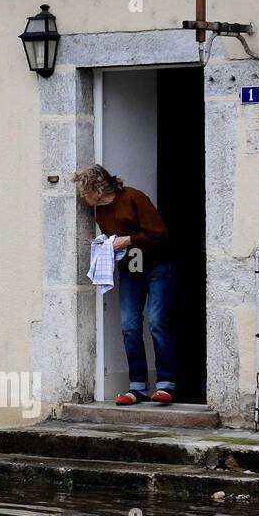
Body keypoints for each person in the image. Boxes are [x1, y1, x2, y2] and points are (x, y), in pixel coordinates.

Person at [73, 164, 177, 405]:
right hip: (131, 270)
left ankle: (166, 384)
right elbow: (116, 241)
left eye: (84, 190)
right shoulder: (100, 212)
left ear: (98, 189)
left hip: (158, 266)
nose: (82, 196)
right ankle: (137, 386)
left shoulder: (133, 197)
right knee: (129, 325)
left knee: (157, 321)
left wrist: (127, 240)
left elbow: (160, 234)